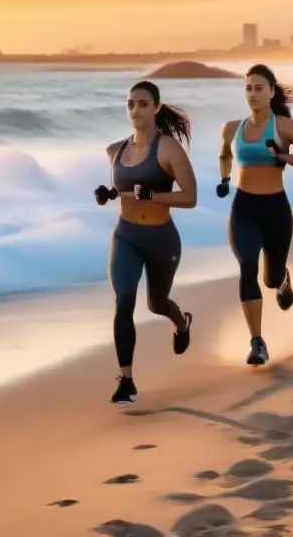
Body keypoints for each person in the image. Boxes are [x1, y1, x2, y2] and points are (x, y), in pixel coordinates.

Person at [94, 80, 197, 404]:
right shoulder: (115, 150)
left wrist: (154, 195)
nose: (135, 110)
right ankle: (126, 381)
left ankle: (181, 323)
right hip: (125, 236)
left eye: (142, 104)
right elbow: (123, 191)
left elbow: (190, 197)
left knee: (157, 304)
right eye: (130, 104)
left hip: (161, 239)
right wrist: (107, 194)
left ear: (156, 107)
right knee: (124, 301)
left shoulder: (168, 149)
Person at [216, 64, 293, 367]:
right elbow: (224, 153)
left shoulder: (286, 127)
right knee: (247, 266)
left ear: (272, 92)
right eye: (248, 88)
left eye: (259, 88)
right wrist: (224, 179)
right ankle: (257, 342)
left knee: (270, 279)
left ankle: (282, 279)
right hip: (243, 209)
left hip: (275, 210)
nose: (253, 93)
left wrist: (281, 155)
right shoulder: (232, 128)